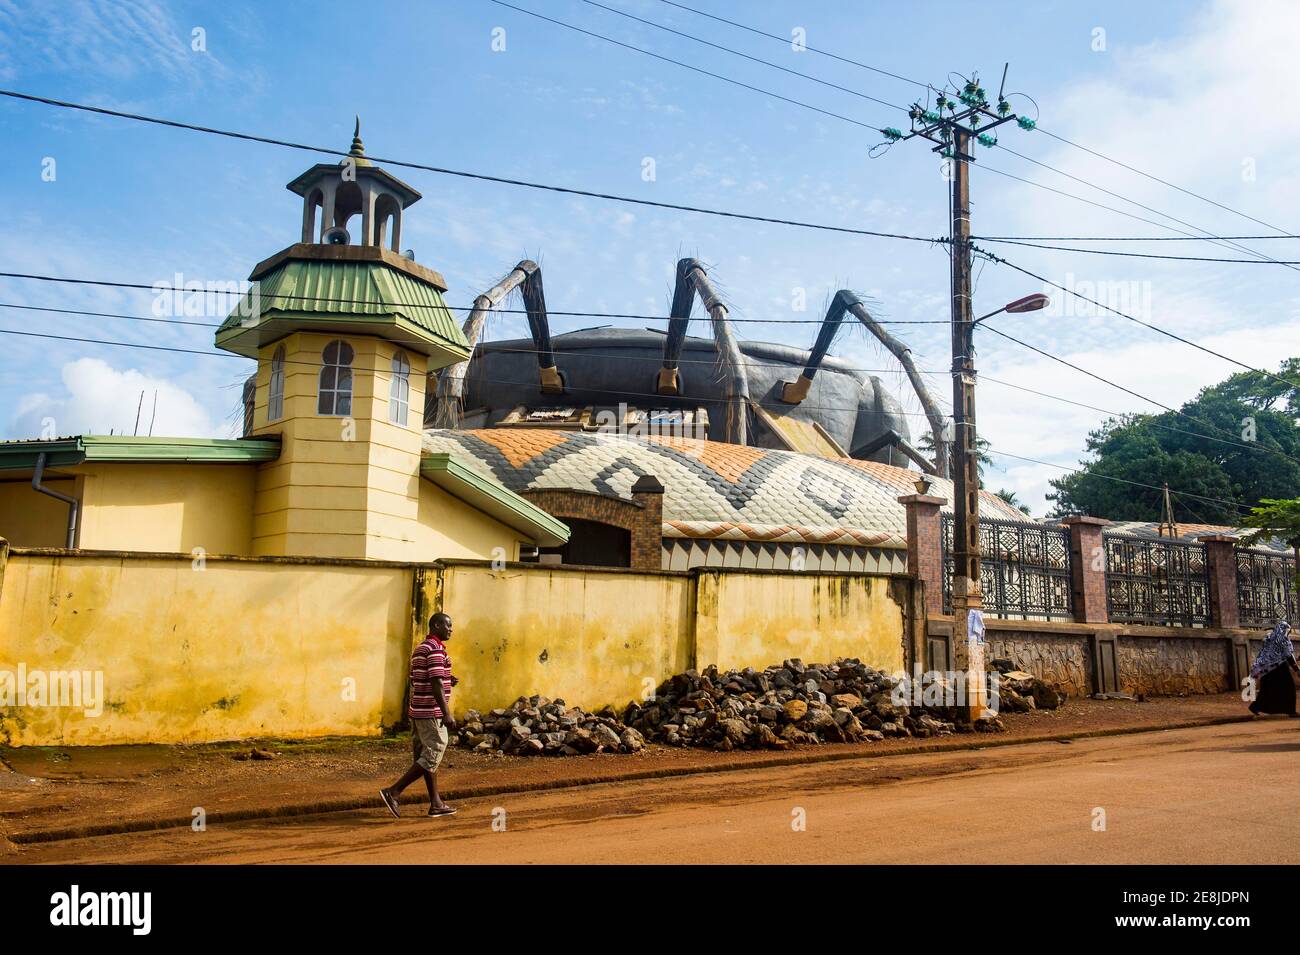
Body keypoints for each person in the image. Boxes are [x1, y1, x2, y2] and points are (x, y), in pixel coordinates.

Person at [380, 613, 459, 818]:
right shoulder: (434, 649)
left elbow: (420, 677)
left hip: (418, 711)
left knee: (426, 757)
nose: (451, 629)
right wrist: (446, 713)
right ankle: (394, 791)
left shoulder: (422, 648)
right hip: (431, 713)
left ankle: (436, 803)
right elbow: (435, 683)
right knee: (435, 750)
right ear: (436, 625)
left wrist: (448, 678)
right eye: (448, 625)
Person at [1248, 619, 1298, 718]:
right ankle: (1291, 711)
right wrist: (1296, 669)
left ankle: (1255, 706)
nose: (1288, 633)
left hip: (1266, 668)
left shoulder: (1270, 638)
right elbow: (1288, 655)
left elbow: (1263, 653)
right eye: (1288, 631)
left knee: (1268, 690)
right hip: (1279, 667)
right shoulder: (1283, 640)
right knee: (1290, 688)